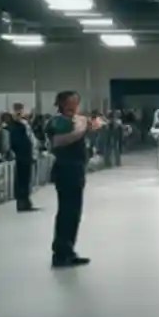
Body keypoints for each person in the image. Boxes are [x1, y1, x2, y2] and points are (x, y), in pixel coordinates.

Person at [47, 91, 99, 268]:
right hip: (66, 169)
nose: (75, 106)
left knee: (74, 213)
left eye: (77, 102)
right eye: (72, 102)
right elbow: (58, 141)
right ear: (62, 103)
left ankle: (68, 250)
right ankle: (61, 253)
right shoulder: (59, 121)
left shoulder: (75, 120)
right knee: (67, 212)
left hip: (76, 169)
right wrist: (82, 130)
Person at [5, 103, 38, 212]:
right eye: (17, 112)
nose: (19, 114)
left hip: (27, 155)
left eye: (21, 111)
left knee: (27, 179)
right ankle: (21, 203)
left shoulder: (24, 124)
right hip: (20, 156)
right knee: (21, 180)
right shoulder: (13, 126)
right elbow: (15, 142)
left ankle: (26, 201)